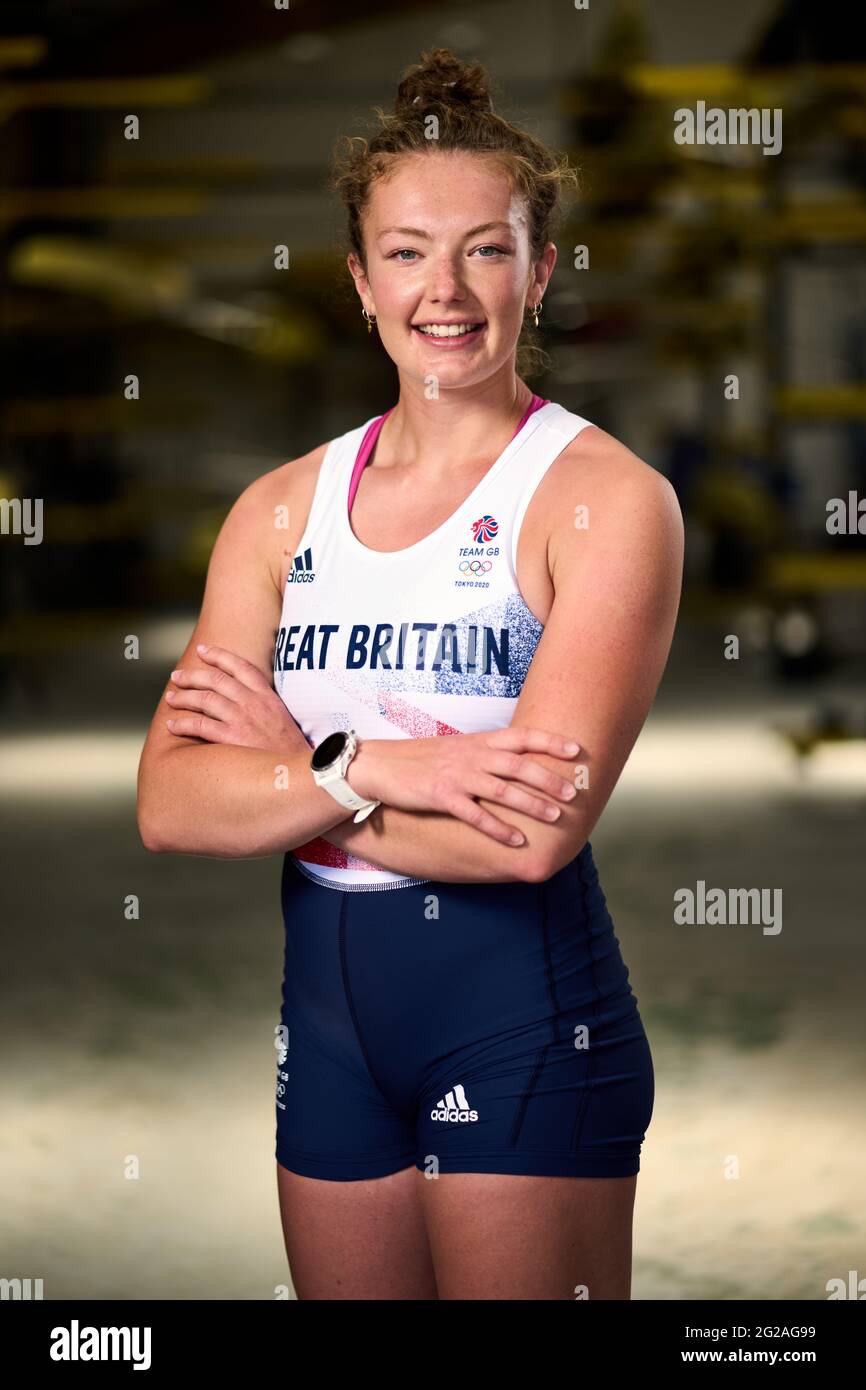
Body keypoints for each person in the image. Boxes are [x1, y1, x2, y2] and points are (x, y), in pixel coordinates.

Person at [137, 48, 683, 1300]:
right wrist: (373, 764)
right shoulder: (278, 511)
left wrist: (292, 775)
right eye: (404, 251)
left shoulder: (602, 501)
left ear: (538, 271)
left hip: (525, 1030)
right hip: (326, 1041)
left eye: (485, 249)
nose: (444, 289)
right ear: (356, 278)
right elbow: (171, 805)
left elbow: (524, 841)